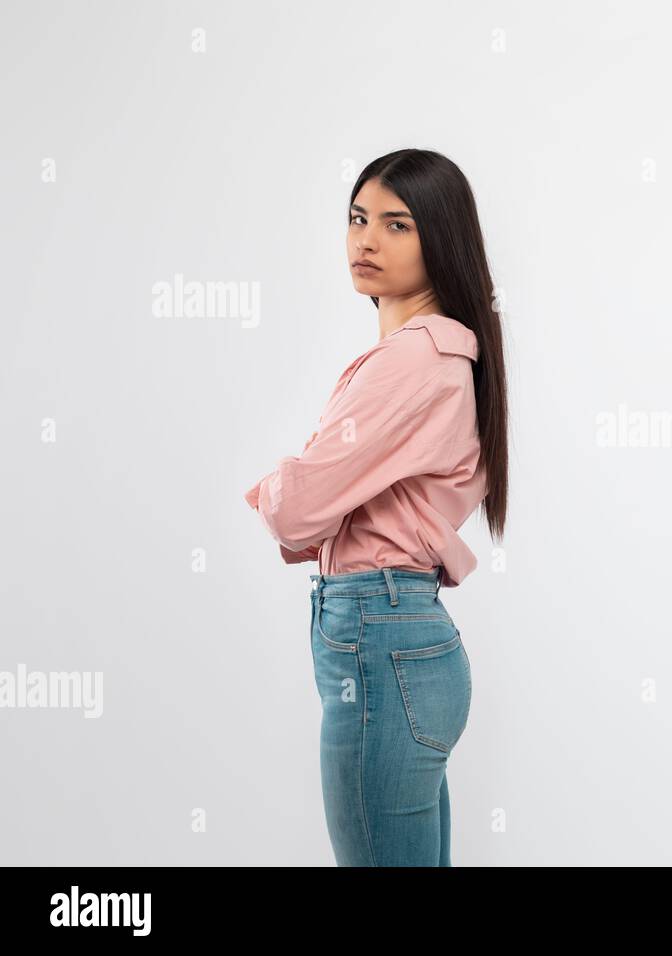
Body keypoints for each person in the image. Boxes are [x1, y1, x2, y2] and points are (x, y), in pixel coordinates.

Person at [244, 148, 508, 866]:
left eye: (397, 225)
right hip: (399, 637)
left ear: (441, 239)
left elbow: (296, 511)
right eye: (358, 219)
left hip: (380, 637)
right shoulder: (437, 355)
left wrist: (276, 487)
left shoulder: (414, 361)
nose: (365, 240)